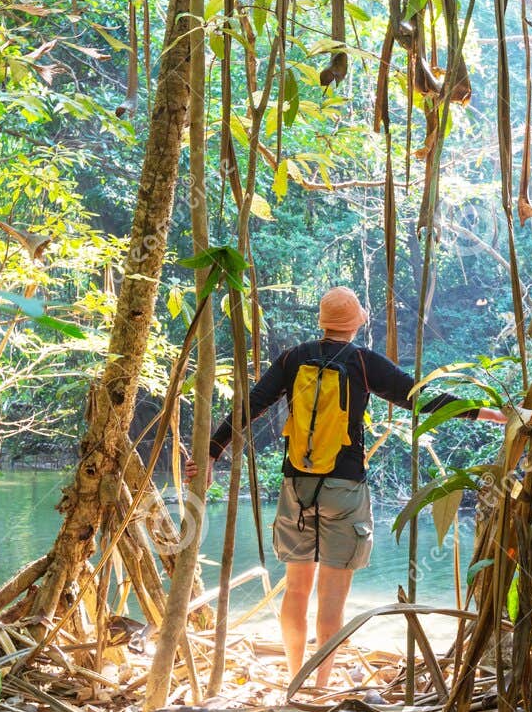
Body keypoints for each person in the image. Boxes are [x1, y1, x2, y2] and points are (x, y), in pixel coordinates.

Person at [188, 286, 505, 690]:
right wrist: (488, 413)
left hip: (297, 485)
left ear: (323, 321)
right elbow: (419, 399)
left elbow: (252, 404)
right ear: (355, 321)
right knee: (332, 598)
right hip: (345, 487)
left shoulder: (292, 358)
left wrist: (212, 452)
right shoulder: (363, 361)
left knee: (297, 590)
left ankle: (293, 679)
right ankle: (320, 687)